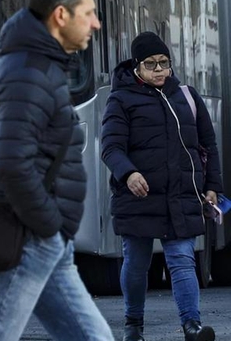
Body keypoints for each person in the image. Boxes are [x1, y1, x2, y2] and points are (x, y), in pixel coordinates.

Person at [0, 0, 110, 340]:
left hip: (42, 235)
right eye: (88, 13)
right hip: (28, 233)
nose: (96, 22)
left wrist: (53, 230)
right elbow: (12, 162)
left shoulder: (36, 67)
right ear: (60, 15)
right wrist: (47, 224)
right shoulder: (28, 73)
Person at [101, 31, 221, 341]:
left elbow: (208, 146)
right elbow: (111, 148)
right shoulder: (121, 99)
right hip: (138, 196)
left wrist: (212, 187)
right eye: (152, 64)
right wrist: (129, 174)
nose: (159, 70)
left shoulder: (187, 96)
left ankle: (191, 326)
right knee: (137, 264)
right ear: (136, 66)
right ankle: (133, 325)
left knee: (182, 260)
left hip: (181, 195)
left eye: (164, 63)